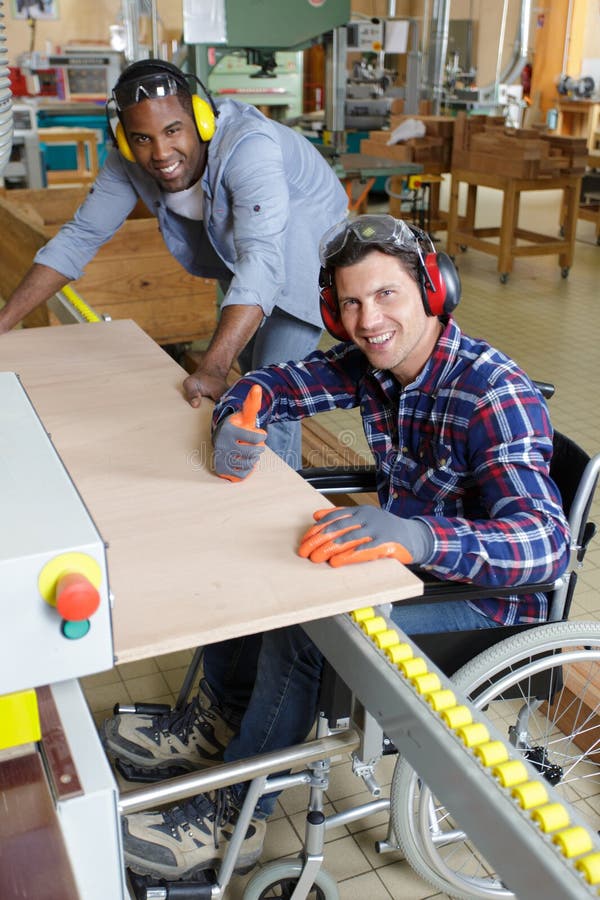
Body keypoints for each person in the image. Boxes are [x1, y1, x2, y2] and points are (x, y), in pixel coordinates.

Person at [103, 214, 570, 881]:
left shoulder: (492, 395)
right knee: (257, 561)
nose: (367, 319)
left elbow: (545, 545)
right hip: (409, 569)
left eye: (386, 296)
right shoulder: (374, 368)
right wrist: (243, 410)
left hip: (486, 600)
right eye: (350, 302)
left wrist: (417, 536)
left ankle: (238, 812)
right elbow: (283, 383)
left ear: (433, 291)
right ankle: (219, 724)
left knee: (307, 625)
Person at [0, 58, 348, 469]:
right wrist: (4, 322)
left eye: (172, 131)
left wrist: (214, 366)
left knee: (269, 389)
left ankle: (278, 504)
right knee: (252, 372)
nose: (161, 153)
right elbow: (79, 237)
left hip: (302, 246)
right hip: (244, 251)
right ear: (126, 141)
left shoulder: (250, 147)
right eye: (142, 138)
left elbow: (264, 260)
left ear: (200, 121)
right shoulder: (128, 162)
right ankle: (258, 475)